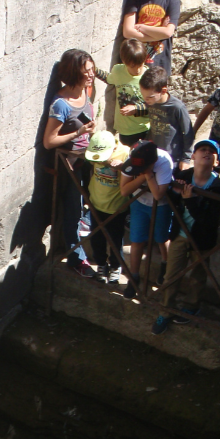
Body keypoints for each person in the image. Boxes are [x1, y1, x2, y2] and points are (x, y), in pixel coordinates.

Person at [151, 139, 220, 334]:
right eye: (202, 149)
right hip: (180, 234)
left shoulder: (218, 188)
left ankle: (191, 307)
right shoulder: (184, 176)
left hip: (203, 239)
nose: (206, 153)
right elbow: (172, 197)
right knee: (171, 274)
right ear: (193, 156)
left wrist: (191, 201)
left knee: (198, 277)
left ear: (216, 162)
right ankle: (165, 311)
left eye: (212, 152)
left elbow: (209, 220)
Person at [43, 49, 99, 279]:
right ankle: (76, 259)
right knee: (73, 211)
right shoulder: (61, 105)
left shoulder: (87, 91)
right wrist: (78, 132)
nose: (91, 75)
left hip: (88, 160)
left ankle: (91, 241)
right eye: (86, 72)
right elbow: (49, 141)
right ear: (74, 73)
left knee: (94, 203)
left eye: (92, 70)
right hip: (69, 167)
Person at [118, 140, 174, 299]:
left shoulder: (164, 161)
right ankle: (133, 277)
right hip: (139, 203)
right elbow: (124, 190)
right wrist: (143, 176)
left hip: (161, 206)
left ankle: (166, 266)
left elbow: (158, 194)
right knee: (136, 240)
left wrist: (148, 174)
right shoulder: (134, 159)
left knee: (162, 238)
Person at [84, 130, 130, 282]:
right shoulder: (95, 149)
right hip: (96, 203)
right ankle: (101, 264)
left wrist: (123, 167)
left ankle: (116, 267)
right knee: (97, 238)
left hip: (116, 207)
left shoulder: (125, 153)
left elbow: (135, 173)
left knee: (115, 239)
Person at [135, 66, 194, 170]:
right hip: (154, 154)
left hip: (172, 158)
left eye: (149, 97)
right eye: (143, 96)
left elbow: (188, 134)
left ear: (163, 90)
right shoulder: (151, 102)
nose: (146, 100)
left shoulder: (178, 107)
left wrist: (186, 159)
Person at [94, 38, 150, 146]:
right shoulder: (118, 70)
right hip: (123, 129)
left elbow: (154, 105)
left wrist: (136, 108)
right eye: (133, 66)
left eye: (140, 65)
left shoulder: (148, 77)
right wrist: (95, 70)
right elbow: (109, 79)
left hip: (143, 129)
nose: (138, 70)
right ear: (124, 62)